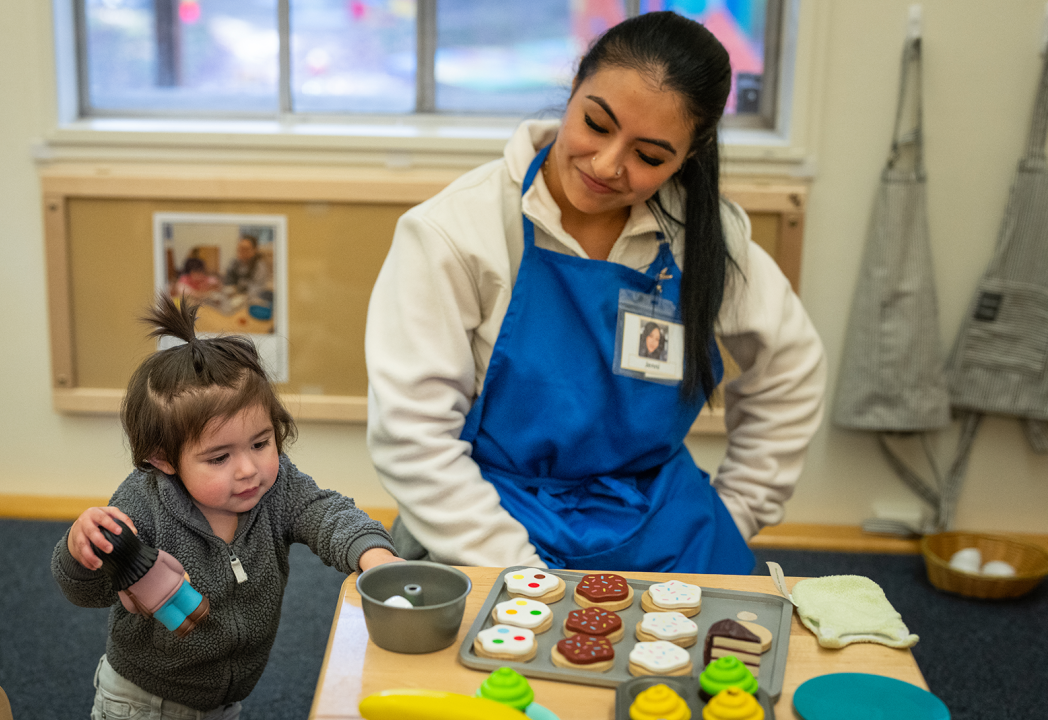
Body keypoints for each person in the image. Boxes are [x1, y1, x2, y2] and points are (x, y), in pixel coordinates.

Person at [365, 12, 825, 574]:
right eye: (596, 124)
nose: (608, 165)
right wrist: (518, 571)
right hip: (492, 523)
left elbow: (791, 369)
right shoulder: (456, 232)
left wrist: (741, 507)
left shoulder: (705, 238)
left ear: (689, 157)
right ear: (575, 84)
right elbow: (414, 436)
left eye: (649, 157)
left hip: (665, 521)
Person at [52, 296, 400, 719]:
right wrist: (78, 551)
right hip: (142, 700)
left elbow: (325, 512)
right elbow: (89, 592)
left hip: (224, 700)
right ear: (163, 458)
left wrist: (374, 554)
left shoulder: (279, 486)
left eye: (261, 443)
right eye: (219, 458)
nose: (249, 470)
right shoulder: (141, 506)